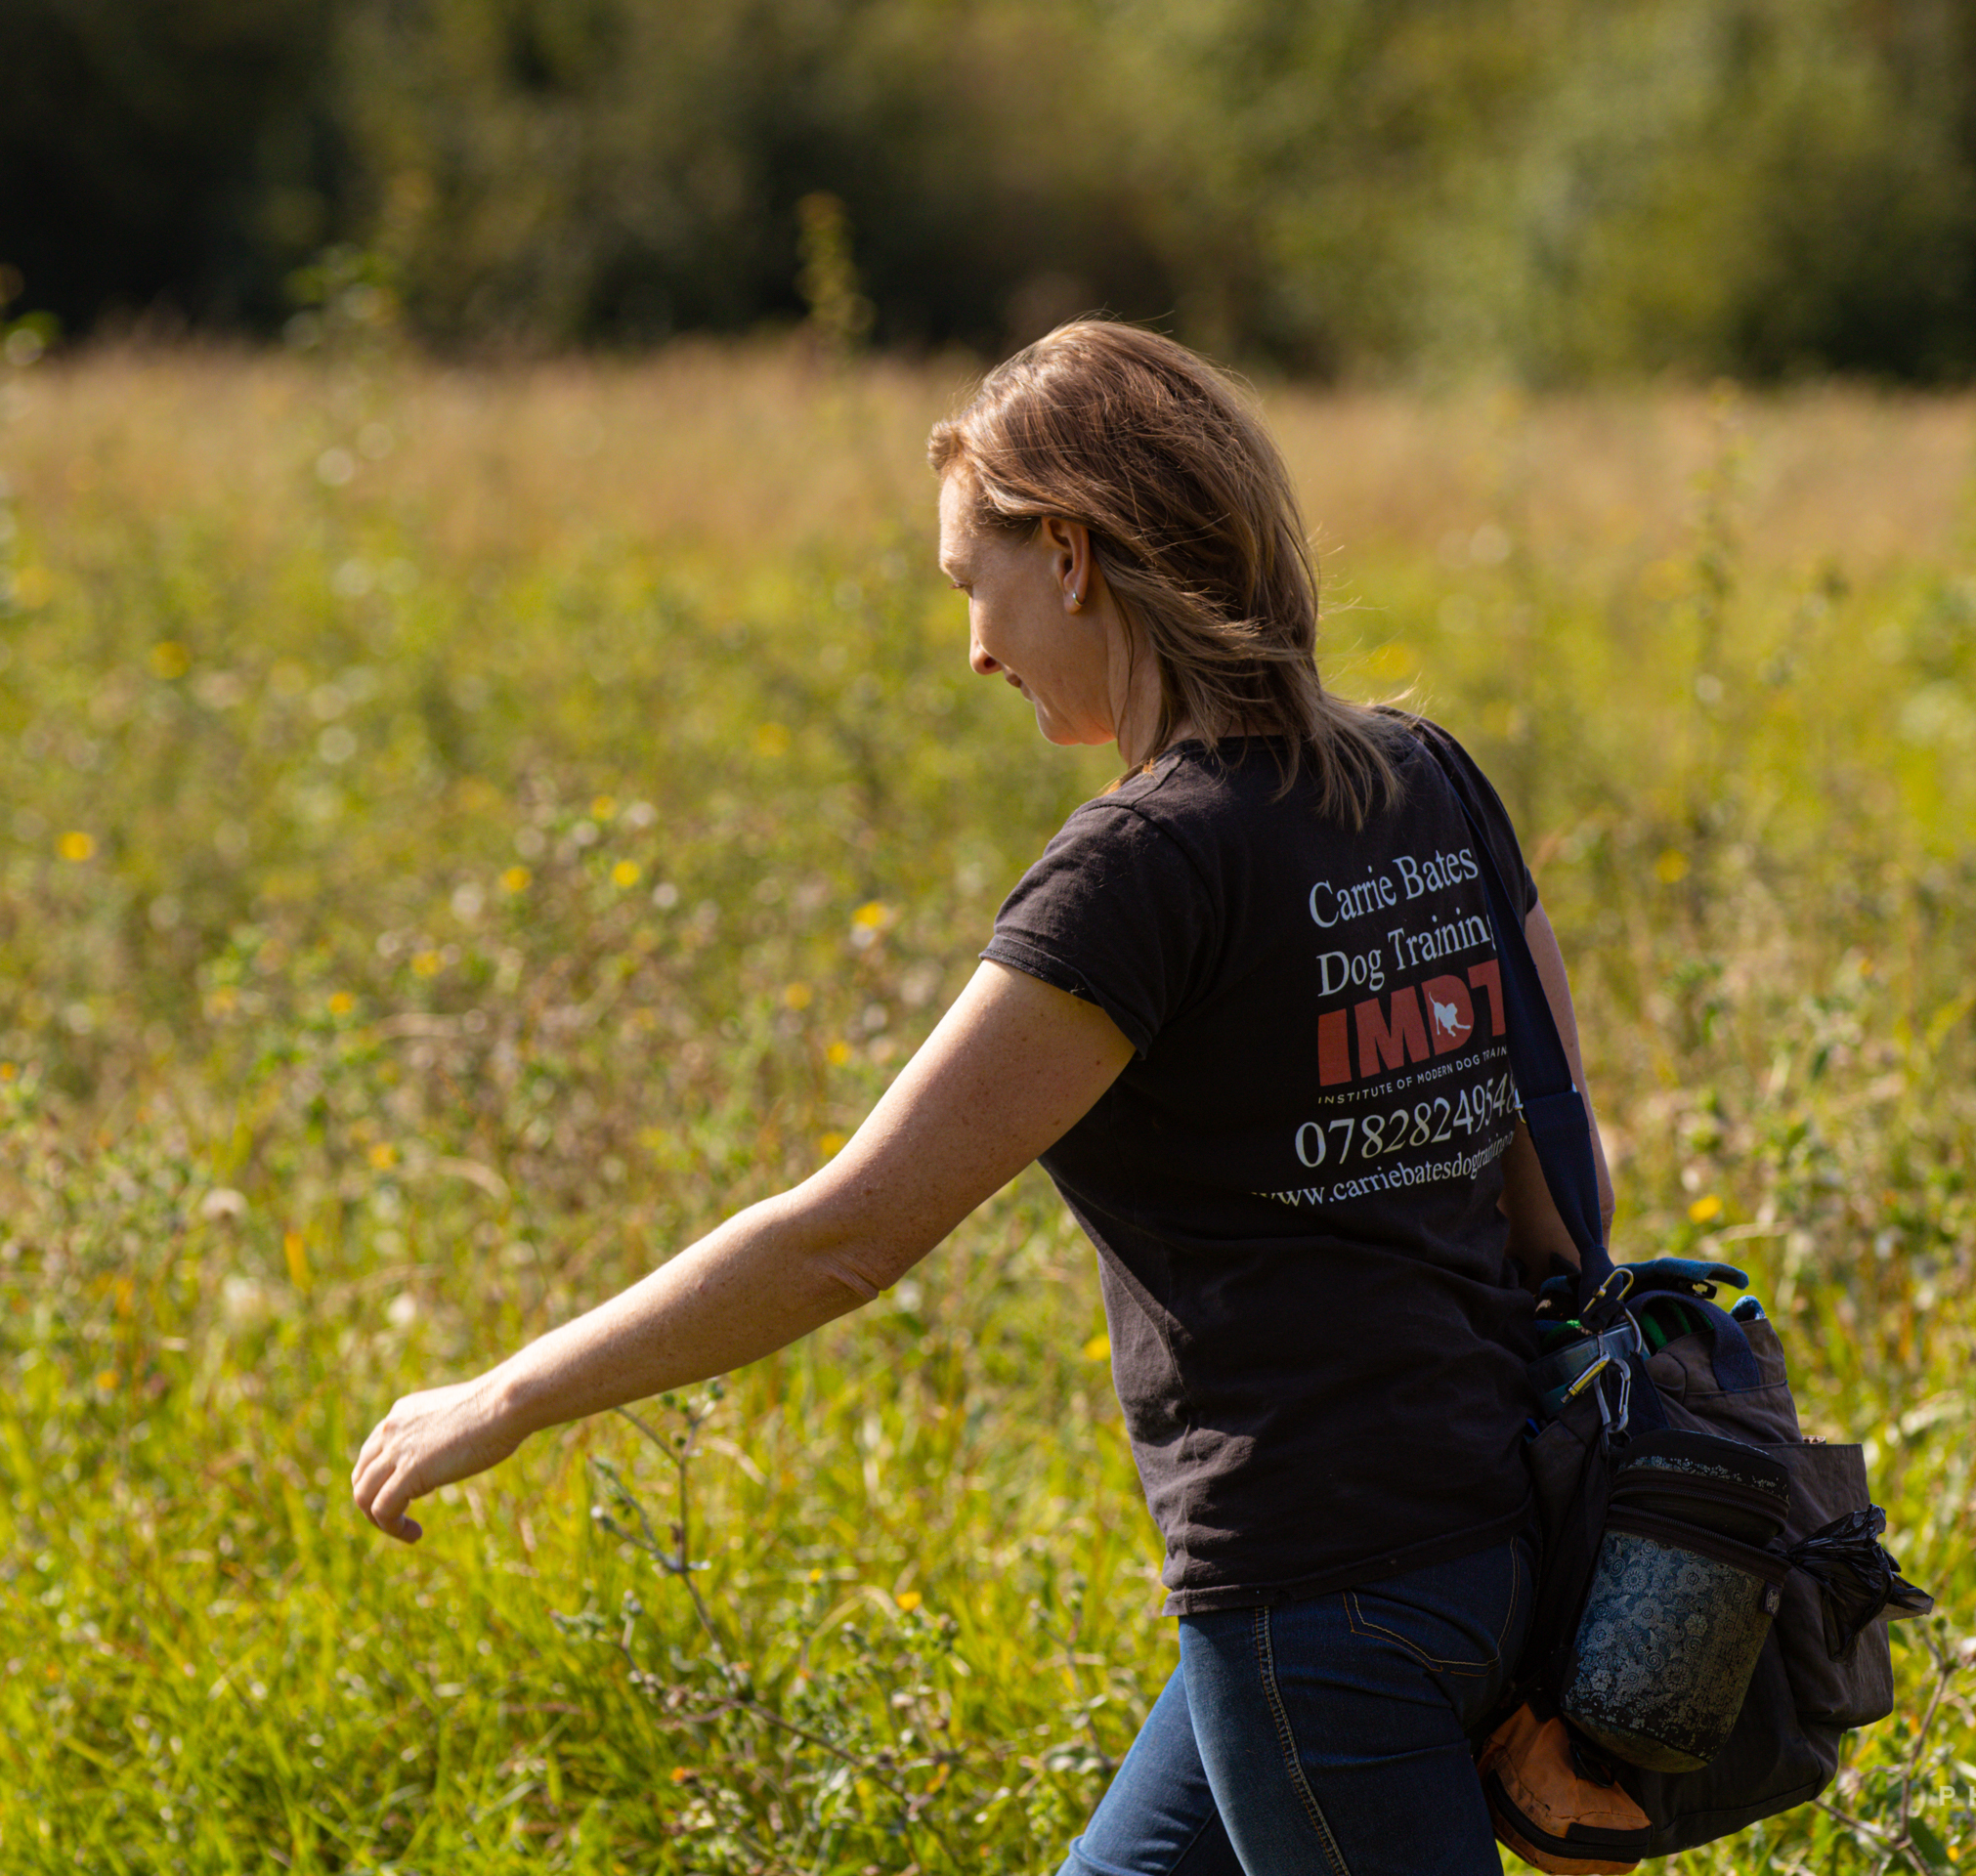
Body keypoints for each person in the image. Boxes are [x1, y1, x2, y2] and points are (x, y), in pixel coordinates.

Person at [350, 320, 1613, 1876]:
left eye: (975, 582)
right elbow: (1554, 1170)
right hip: (1496, 1536)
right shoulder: (1426, 778)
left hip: (1320, 1594)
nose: (975, 648)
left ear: (1071, 555)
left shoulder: (1147, 868)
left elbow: (846, 1237)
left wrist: (507, 1395)